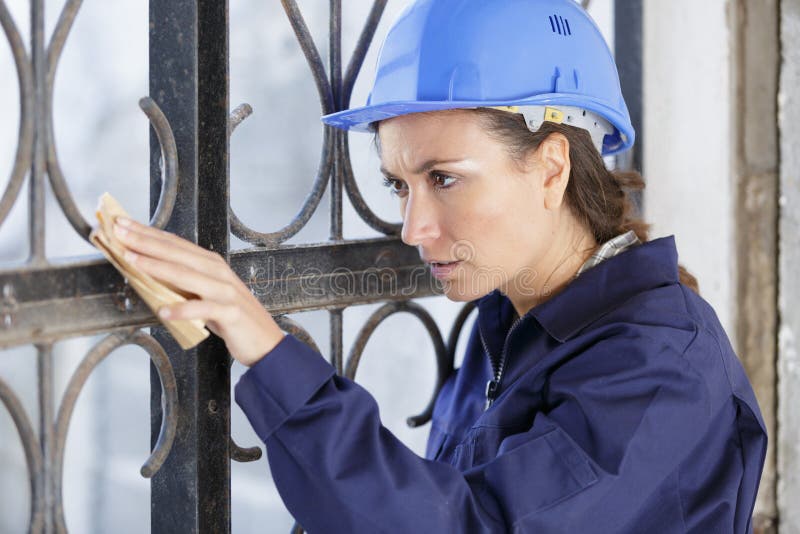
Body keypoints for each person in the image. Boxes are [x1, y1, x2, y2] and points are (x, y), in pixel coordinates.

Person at [112, 0, 767, 531]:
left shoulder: (659, 367)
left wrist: (269, 351)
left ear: (551, 169)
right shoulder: (513, 326)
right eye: (400, 184)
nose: (414, 229)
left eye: (445, 179)